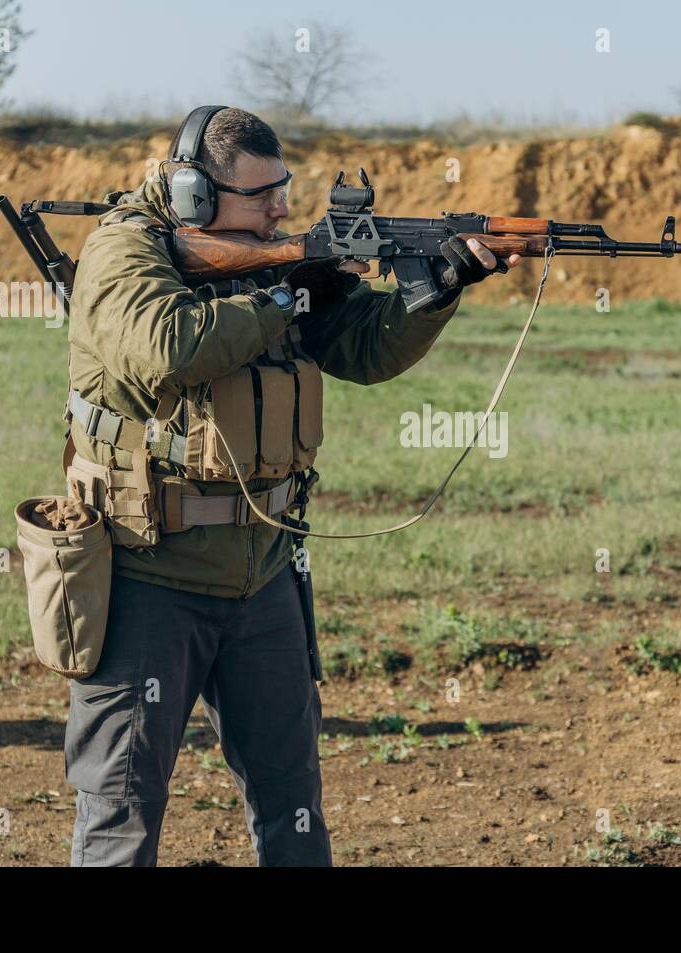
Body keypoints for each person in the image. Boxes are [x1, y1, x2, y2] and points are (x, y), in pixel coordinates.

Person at [60, 105, 520, 866]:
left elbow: (365, 349)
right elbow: (165, 348)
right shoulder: (124, 252)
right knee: (122, 814)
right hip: (146, 571)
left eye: (284, 189)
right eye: (261, 195)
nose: (281, 209)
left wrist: (439, 283)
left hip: (265, 572)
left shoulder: (271, 254)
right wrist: (285, 293)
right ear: (192, 196)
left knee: (292, 804)